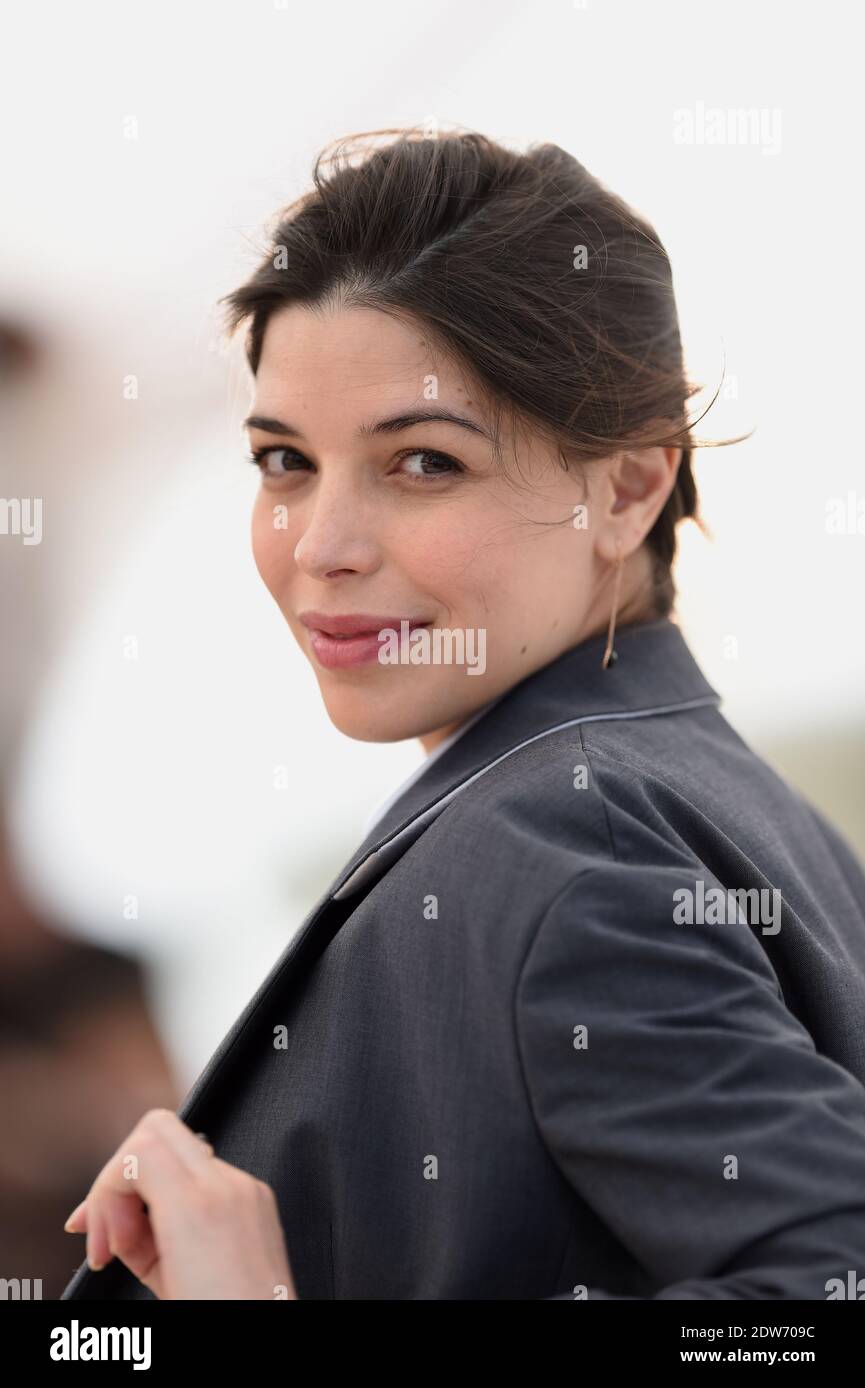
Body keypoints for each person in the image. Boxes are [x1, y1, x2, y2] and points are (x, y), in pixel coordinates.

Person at [61, 128, 865, 1301]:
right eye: (284, 461)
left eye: (423, 463)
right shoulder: (709, 798)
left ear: (629, 485)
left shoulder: (571, 843)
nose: (321, 548)